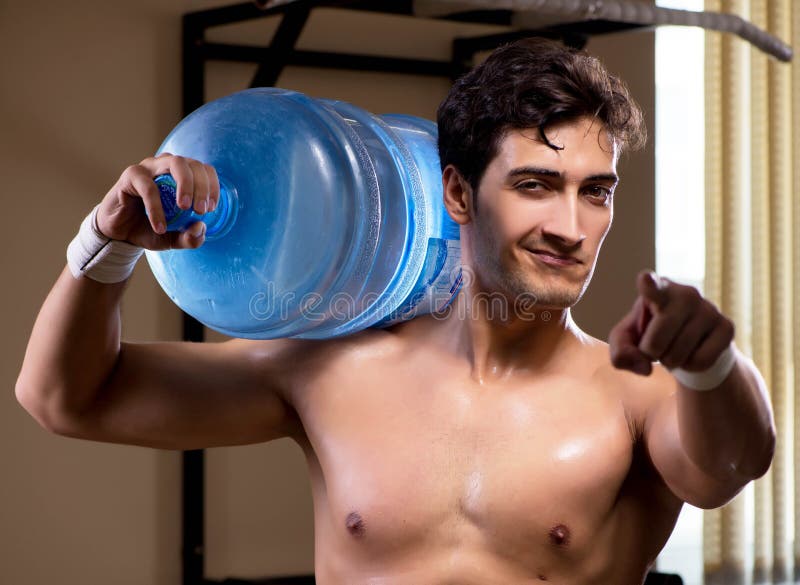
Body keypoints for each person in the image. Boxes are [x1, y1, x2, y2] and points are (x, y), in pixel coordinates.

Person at [16, 38, 775, 584]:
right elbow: (65, 396)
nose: (571, 227)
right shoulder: (337, 370)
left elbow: (733, 464)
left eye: (596, 191)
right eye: (536, 185)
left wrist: (711, 362)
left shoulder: (634, 399)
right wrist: (105, 245)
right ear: (456, 193)